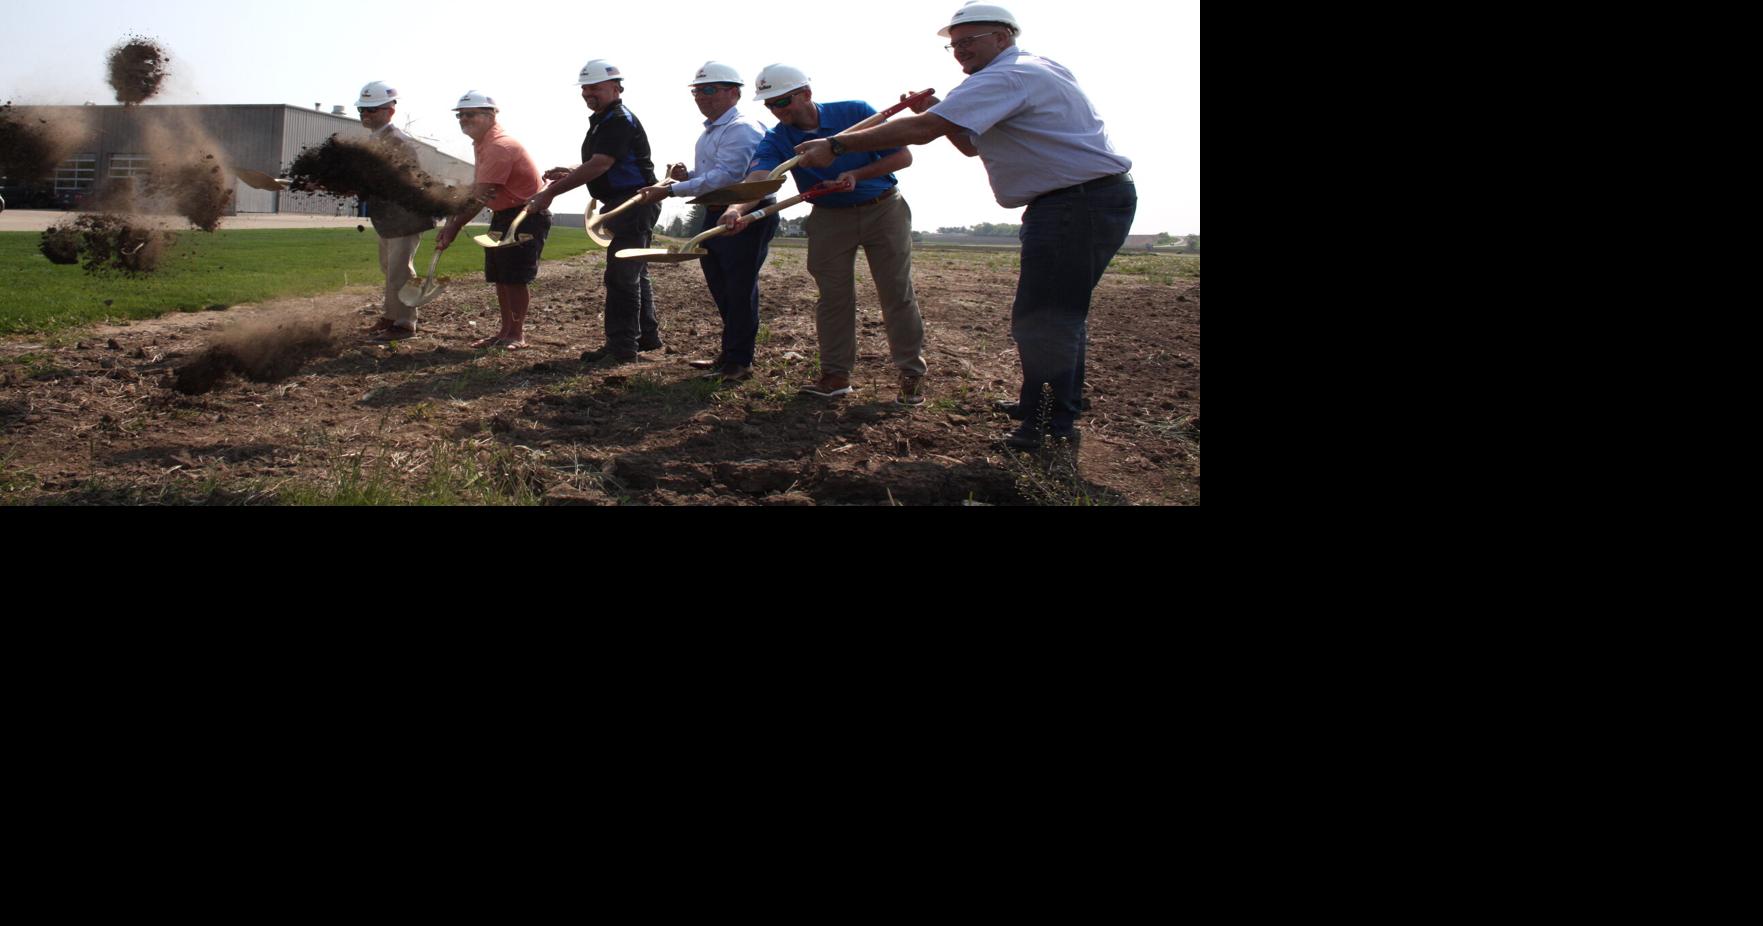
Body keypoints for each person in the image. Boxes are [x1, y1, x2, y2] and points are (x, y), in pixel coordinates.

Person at [794, 2, 1136, 449]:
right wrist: (942, 110)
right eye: (954, 45)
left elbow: (924, 131)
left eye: (969, 41)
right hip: (1082, 200)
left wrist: (838, 145)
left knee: (1046, 319)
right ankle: (1048, 405)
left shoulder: (1007, 76)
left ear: (1003, 37)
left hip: (1075, 203)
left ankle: (1049, 424)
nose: (960, 50)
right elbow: (970, 145)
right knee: (1059, 313)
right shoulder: (1031, 69)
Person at [725, 63, 927, 406]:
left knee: (896, 292)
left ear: (806, 94)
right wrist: (736, 208)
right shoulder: (777, 138)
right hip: (829, 217)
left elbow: (903, 157)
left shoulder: (856, 112)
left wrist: (857, 174)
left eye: (783, 101)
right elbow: (760, 178)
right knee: (833, 298)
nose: (778, 110)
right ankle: (835, 376)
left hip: (883, 208)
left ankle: (911, 373)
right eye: (770, 104)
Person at [632, 62, 776, 384]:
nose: (701, 96)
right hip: (715, 212)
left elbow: (728, 177)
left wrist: (671, 190)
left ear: (734, 93)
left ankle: (740, 361)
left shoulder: (742, 128)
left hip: (745, 213)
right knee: (720, 285)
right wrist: (687, 177)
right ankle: (731, 353)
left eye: (710, 89)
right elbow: (712, 176)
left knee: (739, 288)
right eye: (697, 91)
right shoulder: (709, 133)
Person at [526, 59, 662, 366]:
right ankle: (645, 337)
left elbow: (601, 164)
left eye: (595, 88)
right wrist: (571, 170)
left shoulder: (618, 120)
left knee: (621, 276)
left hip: (633, 203)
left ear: (616, 88)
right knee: (635, 272)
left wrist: (549, 193)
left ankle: (621, 348)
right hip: (624, 202)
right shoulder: (604, 119)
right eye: (585, 88)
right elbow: (602, 161)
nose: (588, 93)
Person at [434, 90, 550, 350]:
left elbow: (481, 195)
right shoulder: (483, 143)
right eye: (461, 115)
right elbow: (478, 190)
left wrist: (454, 226)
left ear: (490, 116)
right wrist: (451, 217)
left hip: (524, 216)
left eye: (471, 114)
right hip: (504, 215)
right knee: (501, 276)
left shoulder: (499, 146)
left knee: (514, 278)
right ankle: (504, 332)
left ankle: (516, 334)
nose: (464, 120)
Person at [355, 81, 437, 342]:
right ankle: (391, 317)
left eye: (372, 109)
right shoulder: (374, 140)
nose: (366, 114)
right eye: (362, 110)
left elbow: (403, 183)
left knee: (400, 271)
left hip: (406, 218)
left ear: (390, 111)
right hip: (388, 218)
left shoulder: (399, 143)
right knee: (390, 269)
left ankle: (404, 323)